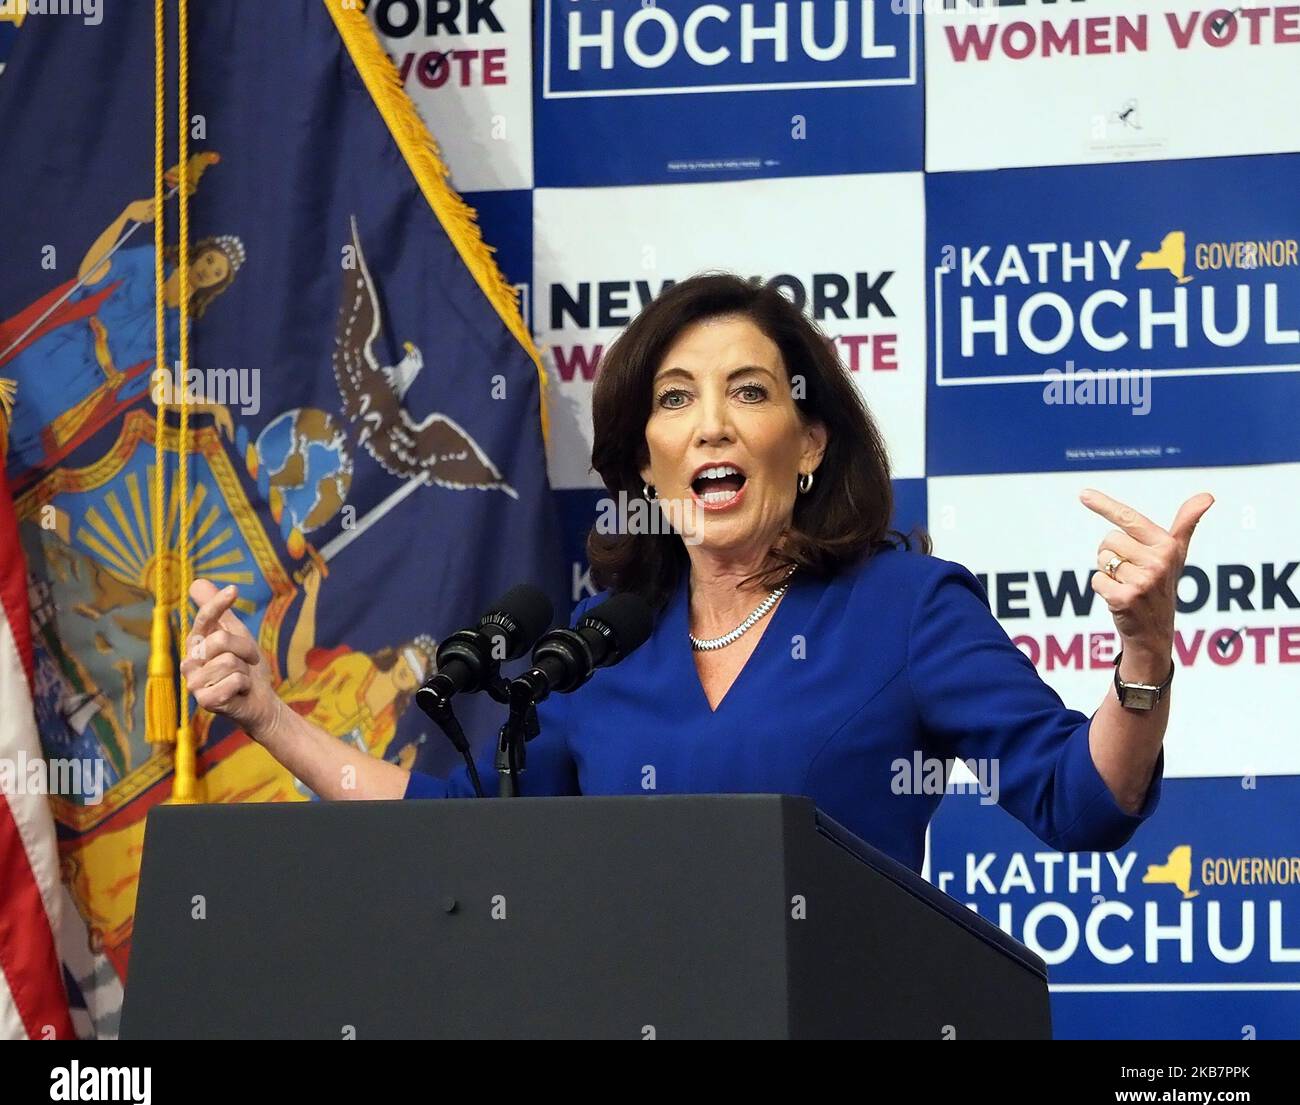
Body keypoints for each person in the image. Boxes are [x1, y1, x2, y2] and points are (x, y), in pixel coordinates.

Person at [182, 274, 1212, 873]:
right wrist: (270, 715)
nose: (709, 422)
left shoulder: (901, 608)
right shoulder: (594, 646)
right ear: (642, 460)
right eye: (674, 400)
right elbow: (464, 838)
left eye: (747, 391)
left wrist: (1143, 649)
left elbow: (1083, 801)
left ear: (808, 443)